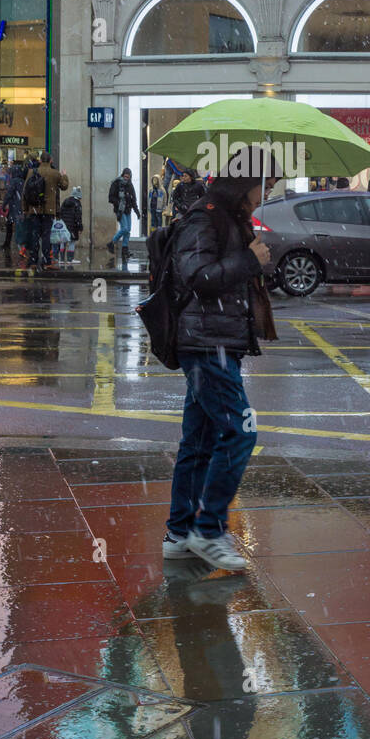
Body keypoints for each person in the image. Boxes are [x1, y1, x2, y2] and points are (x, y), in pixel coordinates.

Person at [163, 152, 278, 572]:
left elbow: (228, 278)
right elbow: (197, 275)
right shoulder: (205, 217)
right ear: (242, 183)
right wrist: (249, 260)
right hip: (206, 343)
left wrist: (256, 261)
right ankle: (208, 529)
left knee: (199, 441)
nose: (264, 195)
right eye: (262, 186)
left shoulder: (227, 218)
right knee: (240, 432)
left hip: (216, 340)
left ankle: (178, 533)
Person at [25, 152, 70, 268]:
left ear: (40, 161)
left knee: (35, 235)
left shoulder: (31, 172)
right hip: (48, 210)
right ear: (51, 161)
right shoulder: (55, 174)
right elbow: (64, 186)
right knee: (46, 235)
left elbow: (25, 191)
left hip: (34, 208)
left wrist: (25, 209)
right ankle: (46, 260)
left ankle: (33, 260)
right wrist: (64, 175)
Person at [107, 167, 140, 266]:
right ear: (122, 175)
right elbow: (111, 197)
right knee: (125, 228)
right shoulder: (116, 183)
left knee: (128, 230)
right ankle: (111, 243)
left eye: (128, 176)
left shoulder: (130, 185)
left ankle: (124, 251)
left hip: (128, 210)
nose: (126, 178)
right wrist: (118, 203)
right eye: (125, 176)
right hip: (120, 210)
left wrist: (137, 211)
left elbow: (133, 199)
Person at [0, 164, 25, 252]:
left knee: (10, 225)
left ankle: (10, 244)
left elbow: (9, 194)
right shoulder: (22, 180)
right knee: (18, 225)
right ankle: (19, 245)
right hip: (20, 207)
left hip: (14, 206)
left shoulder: (14, 181)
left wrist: (4, 204)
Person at [59, 186, 83, 263]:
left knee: (63, 242)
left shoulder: (65, 201)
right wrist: (80, 227)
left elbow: (60, 213)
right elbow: (78, 217)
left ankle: (61, 259)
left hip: (64, 226)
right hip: (73, 227)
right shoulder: (77, 203)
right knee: (72, 242)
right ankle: (70, 259)